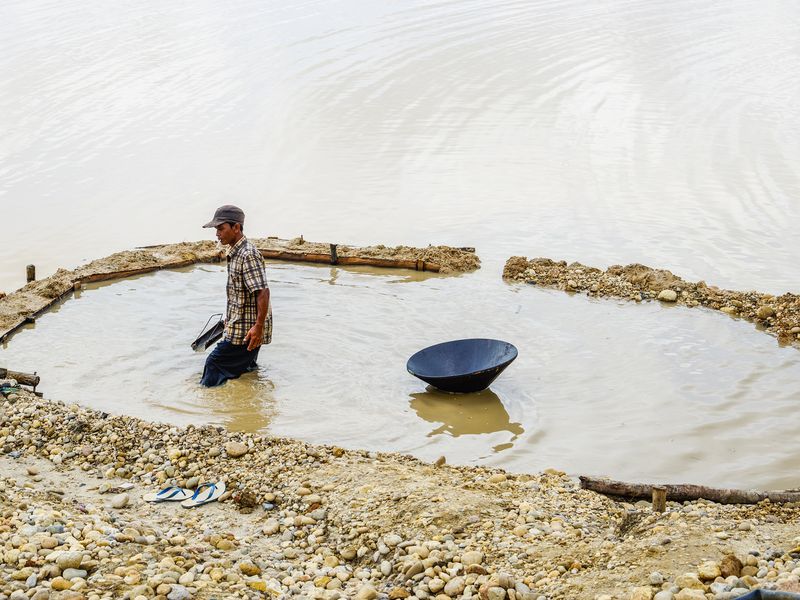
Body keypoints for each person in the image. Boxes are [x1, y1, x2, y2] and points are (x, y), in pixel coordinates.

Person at [200, 205, 272, 386]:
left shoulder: (247, 254)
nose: (217, 234)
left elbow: (262, 292)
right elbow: (239, 294)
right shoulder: (235, 252)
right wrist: (228, 319)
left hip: (246, 332)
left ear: (236, 228)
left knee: (214, 364)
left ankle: (207, 406)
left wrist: (258, 327)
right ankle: (245, 404)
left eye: (220, 228)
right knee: (245, 369)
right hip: (240, 325)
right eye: (216, 229)